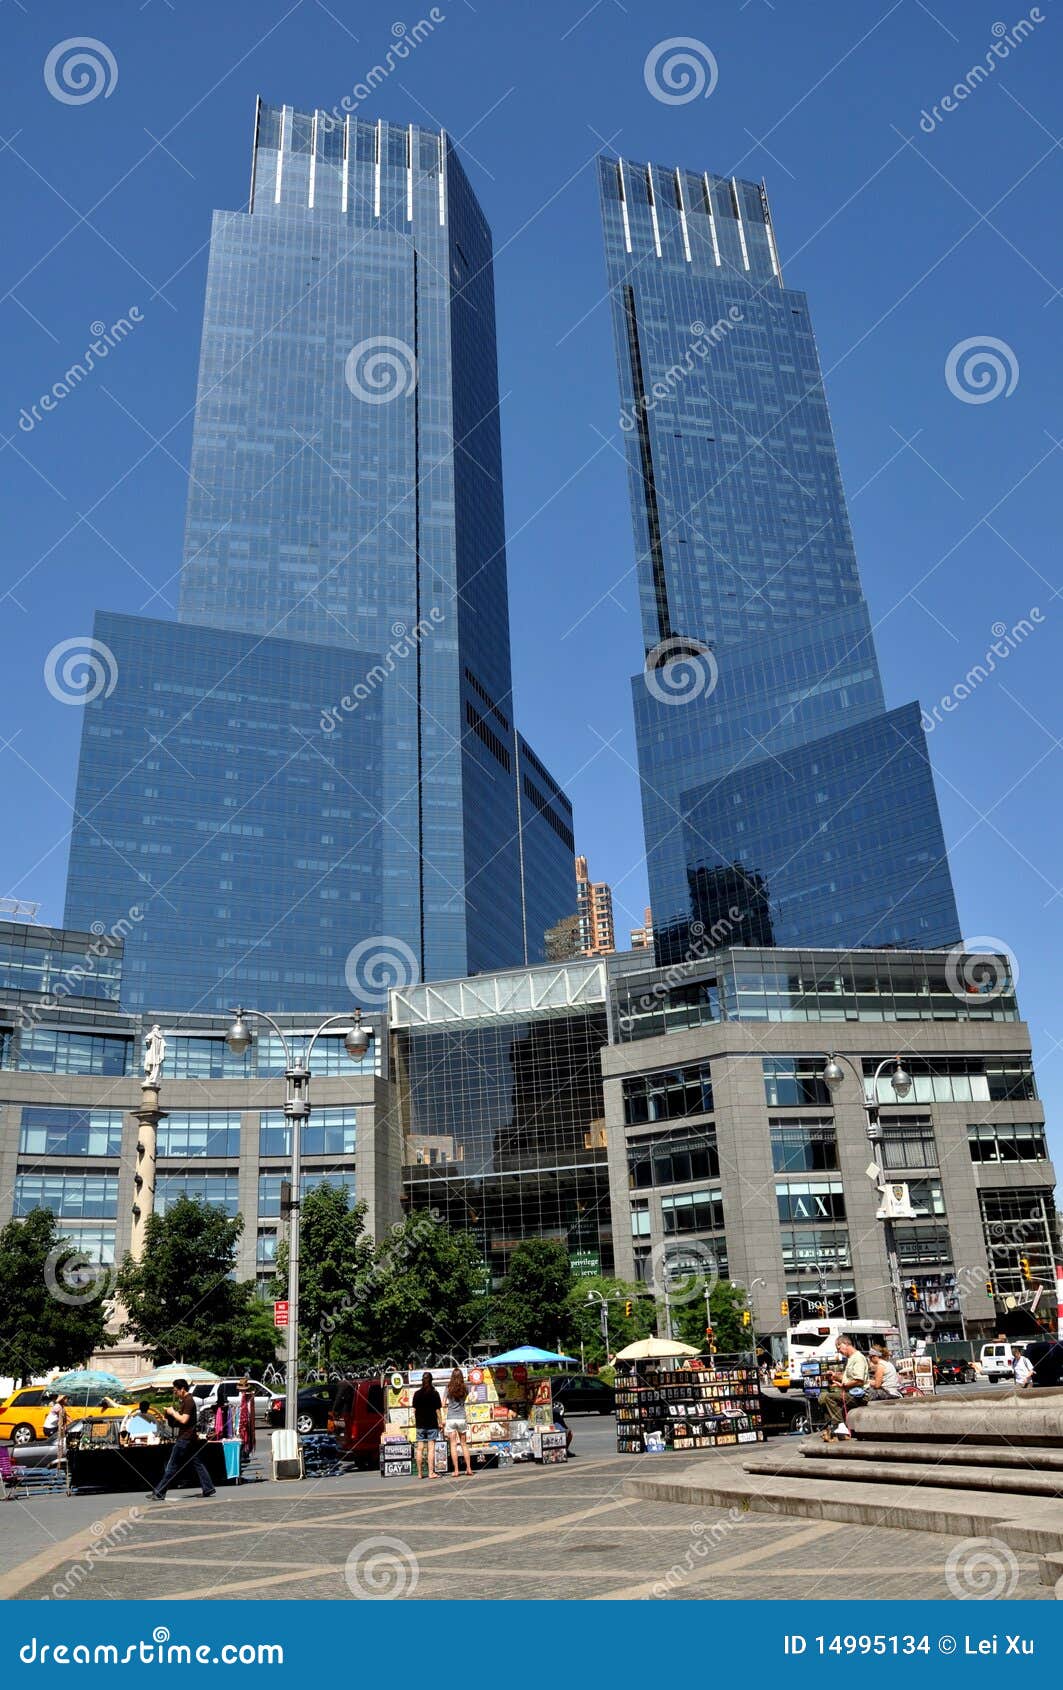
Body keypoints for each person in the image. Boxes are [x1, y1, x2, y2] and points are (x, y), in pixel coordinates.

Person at [149, 1378, 216, 1500]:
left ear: (182, 1389)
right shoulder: (185, 1401)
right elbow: (180, 1422)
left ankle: (159, 1492)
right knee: (198, 1463)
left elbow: (184, 1420)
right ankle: (208, 1488)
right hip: (189, 1438)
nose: (175, 1393)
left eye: (176, 1390)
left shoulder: (189, 1401)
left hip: (185, 1438)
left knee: (172, 1466)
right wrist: (170, 1414)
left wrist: (172, 1412)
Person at [820, 1337, 870, 1441]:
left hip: (859, 1396)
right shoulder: (850, 1358)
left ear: (844, 1344)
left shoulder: (858, 1358)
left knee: (829, 1397)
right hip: (851, 1393)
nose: (839, 1352)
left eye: (839, 1349)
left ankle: (840, 1426)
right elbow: (848, 1378)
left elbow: (859, 1380)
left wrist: (844, 1386)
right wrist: (835, 1376)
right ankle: (831, 1429)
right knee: (823, 1398)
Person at [411, 1371, 443, 1479]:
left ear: (422, 1380)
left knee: (419, 1448)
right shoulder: (434, 1393)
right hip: (432, 1424)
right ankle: (430, 1472)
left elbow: (414, 1410)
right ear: (431, 1380)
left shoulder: (417, 1394)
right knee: (431, 1449)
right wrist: (440, 1422)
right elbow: (438, 1410)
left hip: (420, 1424)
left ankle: (420, 1473)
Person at [443, 1367, 474, 1476]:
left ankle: (456, 1470)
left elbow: (443, 1403)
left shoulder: (448, 1387)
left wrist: (449, 1406)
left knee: (453, 1445)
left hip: (451, 1418)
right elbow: (466, 1400)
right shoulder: (465, 1388)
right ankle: (469, 1468)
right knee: (464, 1444)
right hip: (461, 1417)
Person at [237, 1378, 256, 1458]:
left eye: (244, 1389)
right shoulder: (239, 1396)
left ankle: (246, 1452)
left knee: (247, 1436)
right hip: (240, 1419)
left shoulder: (249, 1396)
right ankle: (242, 1452)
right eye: (242, 1389)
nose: (243, 1391)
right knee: (241, 1436)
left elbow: (251, 1409)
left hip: (247, 1419)